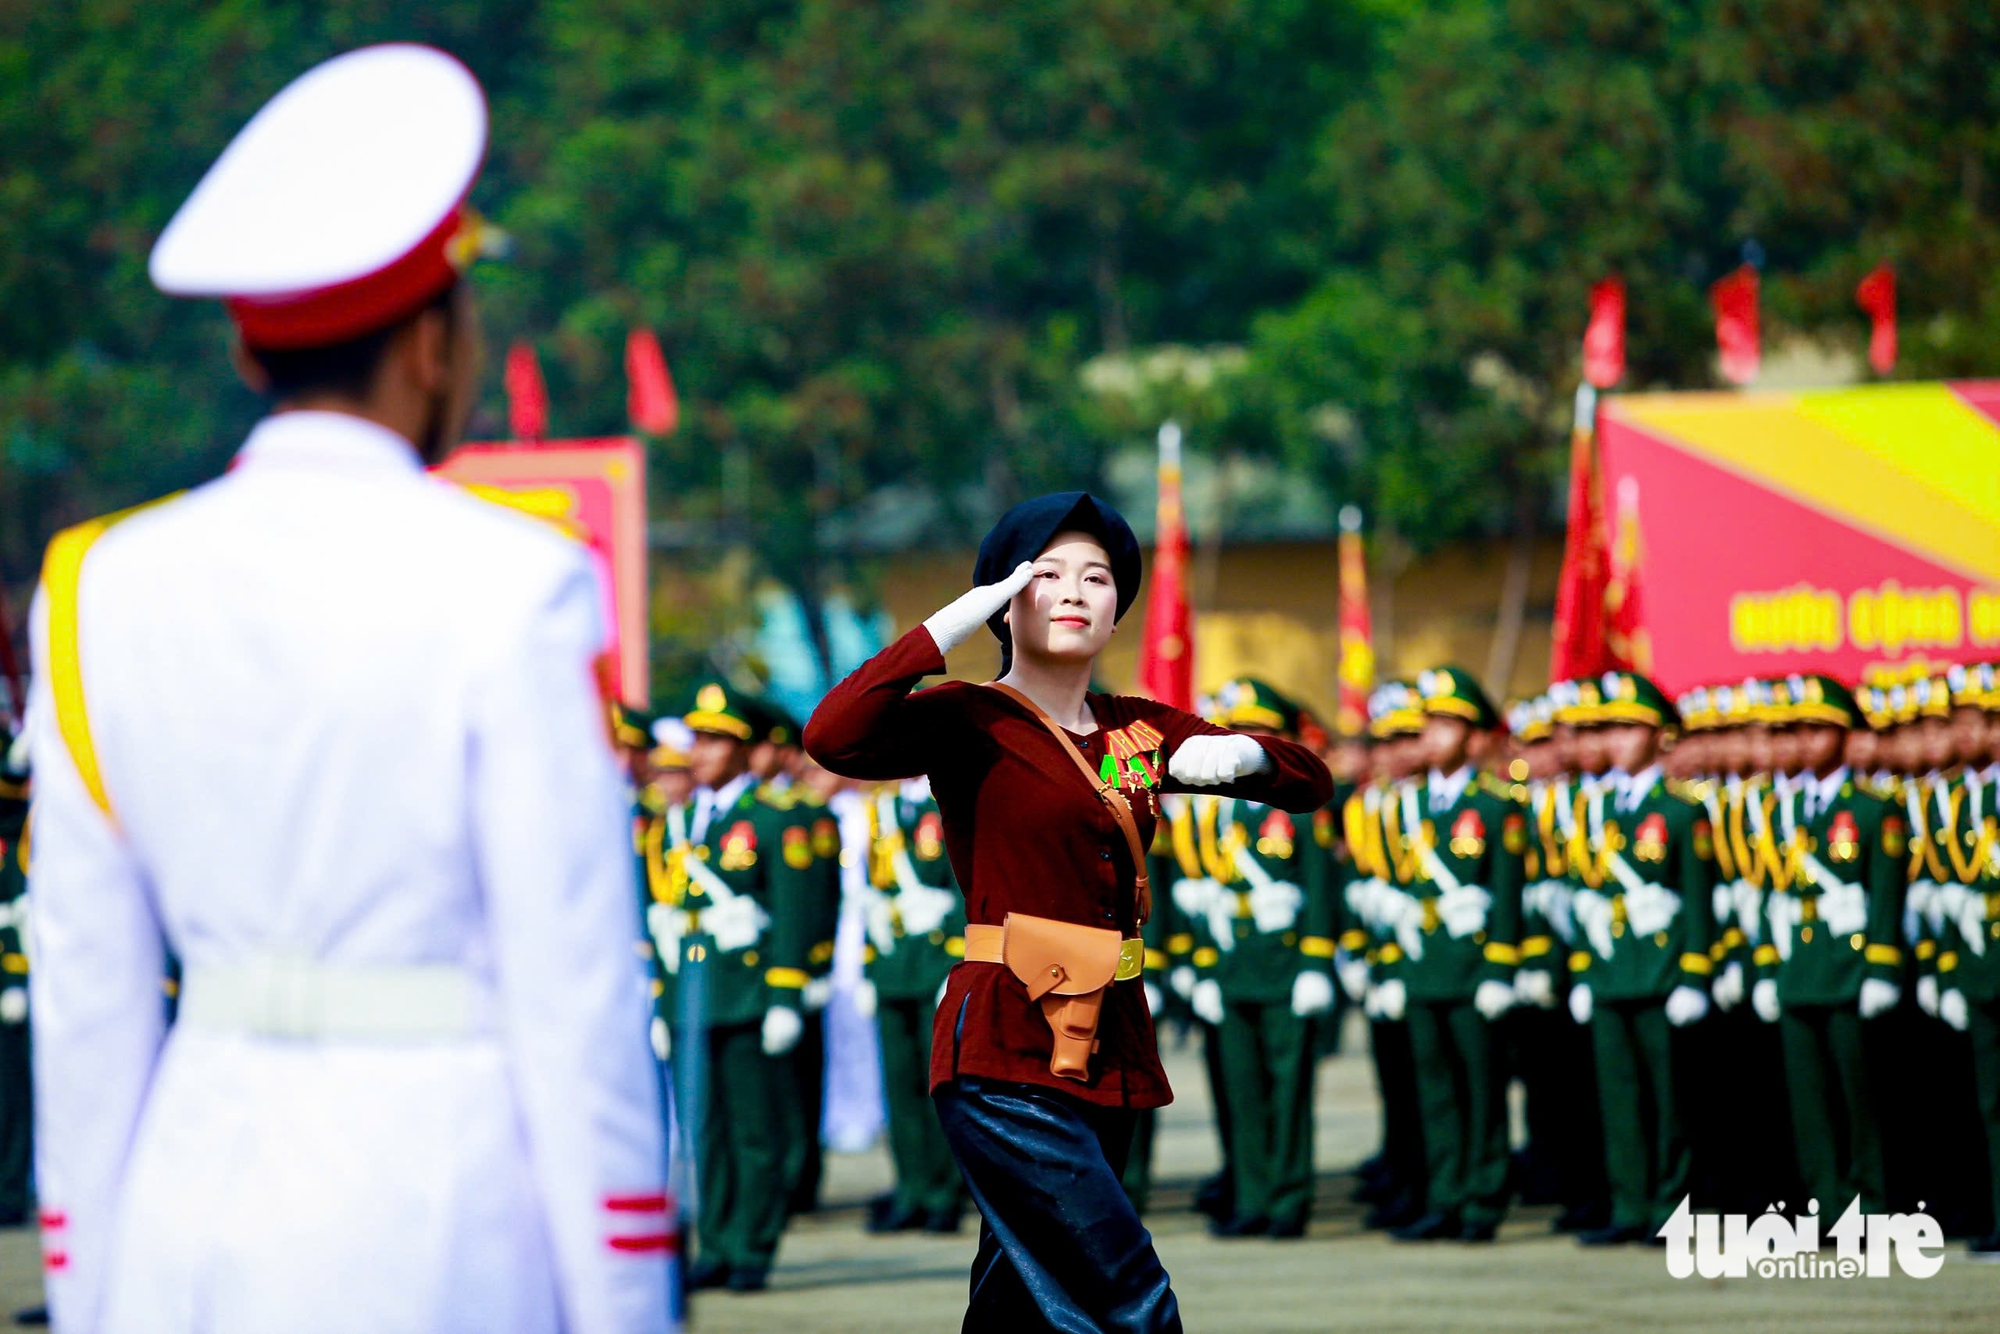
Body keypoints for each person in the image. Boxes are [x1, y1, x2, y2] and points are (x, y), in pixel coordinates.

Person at [24, 45, 667, 1333]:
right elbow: (574, 997)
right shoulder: (517, 582)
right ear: (432, 341)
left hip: (184, 1210)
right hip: (440, 1217)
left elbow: (84, 1008)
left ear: (248, 348)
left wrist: (92, 1293)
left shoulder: (97, 587)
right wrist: (625, 1300)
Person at [805, 491, 1331, 1334]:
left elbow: (1311, 781)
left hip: (1106, 1037)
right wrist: (945, 628)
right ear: (1005, 605)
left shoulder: (1138, 731)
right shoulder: (967, 717)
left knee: (1020, 1297)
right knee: (1124, 1293)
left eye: (1097, 578)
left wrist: (1242, 756)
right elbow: (834, 735)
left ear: (1120, 611)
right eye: (1044, 576)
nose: (1076, 591)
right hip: (1004, 1044)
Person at [1562, 672, 1716, 1246]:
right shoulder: (1594, 809)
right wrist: (1582, 970)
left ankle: (1670, 1207)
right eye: (1611, 727)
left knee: (1668, 1100)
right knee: (1619, 1099)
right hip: (1609, 970)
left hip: (1661, 974)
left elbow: (1698, 898)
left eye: (1629, 727)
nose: (1618, 739)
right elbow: (1588, 896)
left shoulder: (1680, 810)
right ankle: (1629, 1204)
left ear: (1659, 736)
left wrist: (1695, 974)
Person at [670, 682, 815, 1292]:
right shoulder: (681, 823)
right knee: (707, 1130)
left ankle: (753, 1246)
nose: (699, 751)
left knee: (755, 1131)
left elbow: (792, 911)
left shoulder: (769, 819)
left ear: (740, 749)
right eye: (697, 739)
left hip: (751, 996)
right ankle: (718, 1241)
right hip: (695, 994)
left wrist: (785, 995)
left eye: (713, 740)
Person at [1184, 678, 1337, 1239]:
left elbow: (1321, 888)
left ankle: (1288, 1199)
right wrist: (1202, 966)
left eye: (1260, 732)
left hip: (1285, 968)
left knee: (1289, 1091)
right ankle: (1251, 1197)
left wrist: (1318, 964)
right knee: (1241, 1092)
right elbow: (1203, 898)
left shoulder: (1299, 805)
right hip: (1229, 969)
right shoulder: (1212, 813)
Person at [1750, 674, 1906, 1221]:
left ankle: (1870, 1204)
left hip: (1848, 969)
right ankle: (1825, 1203)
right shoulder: (1781, 812)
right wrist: (1768, 969)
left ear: (1844, 734)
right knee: (1809, 1103)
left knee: (1859, 1099)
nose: (1804, 740)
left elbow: (1886, 894)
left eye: (1818, 728)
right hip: (1799, 969)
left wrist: (1882, 966)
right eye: (1796, 729)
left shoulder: (1869, 809)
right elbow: (1771, 895)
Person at [1386, 667, 1525, 1244]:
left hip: (1473, 972)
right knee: (1434, 1092)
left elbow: (1509, 894)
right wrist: (1393, 964)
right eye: (1429, 724)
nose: (1434, 736)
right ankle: (1444, 1196)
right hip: (1423, 968)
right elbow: (1398, 891)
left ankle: (1483, 1198)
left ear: (1473, 736)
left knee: (1481, 1089)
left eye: (1448, 724)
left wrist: (1500, 966)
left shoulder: (1496, 805)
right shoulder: (1406, 807)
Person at [856, 776, 968, 1234]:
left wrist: (960, 962)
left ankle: (945, 1191)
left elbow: (970, 884)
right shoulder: (882, 809)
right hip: (893, 964)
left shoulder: (955, 800)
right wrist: (869, 962)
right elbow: (873, 893)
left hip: (937, 960)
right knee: (899, 1086)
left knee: (939, 1083)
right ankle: (912, 1187)